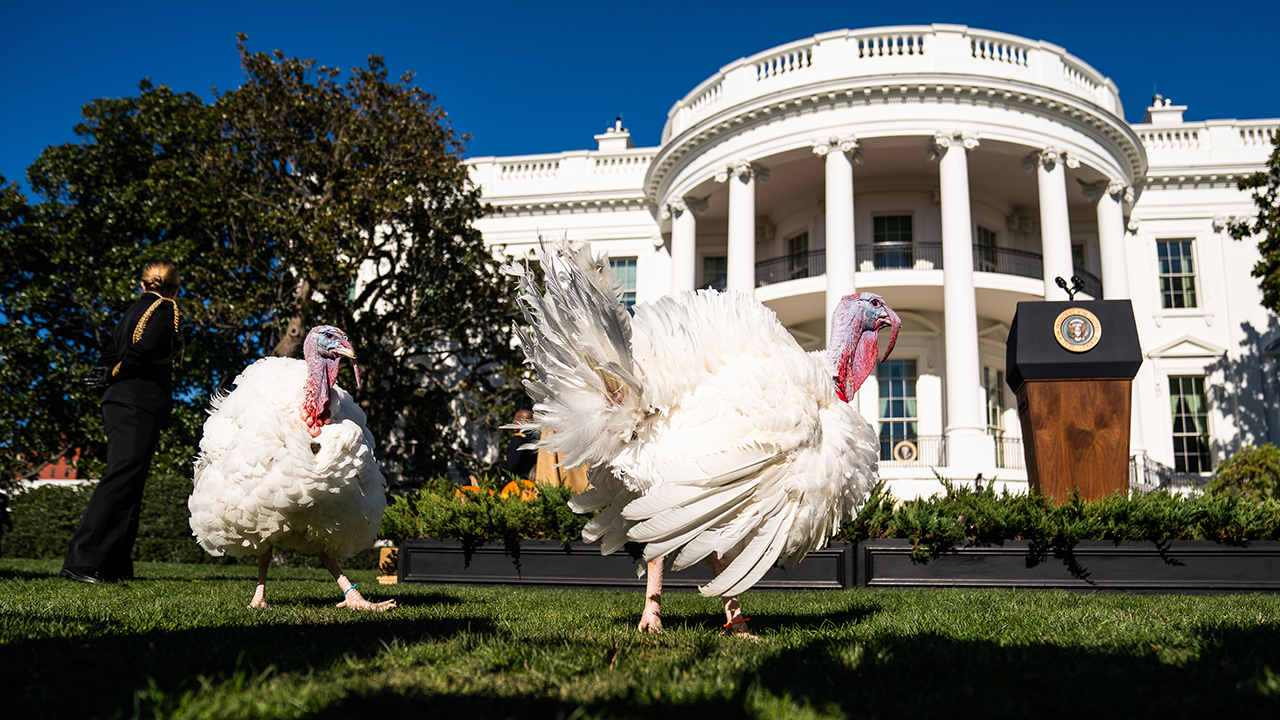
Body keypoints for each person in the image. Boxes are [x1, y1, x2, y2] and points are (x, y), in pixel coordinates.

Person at [61, 261, 183, 583]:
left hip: (119, 401)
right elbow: (139, 354)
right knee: (122, 476)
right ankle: (83, 560)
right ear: (175, 289)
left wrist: (106, 377)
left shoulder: (130, 313)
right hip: (138, 401)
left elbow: (108, 355)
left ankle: (114, 563)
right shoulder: (167, 308)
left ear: (142, 285)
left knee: (130, 479)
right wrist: (115, 373)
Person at [497, 409, 539, 479]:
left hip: (516, 482)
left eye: (514, 421)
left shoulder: (519, 439)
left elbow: (511, 466)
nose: (513, 424)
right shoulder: (535, 440)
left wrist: (499, 468)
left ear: (520, 422)